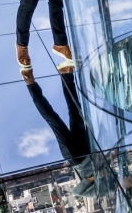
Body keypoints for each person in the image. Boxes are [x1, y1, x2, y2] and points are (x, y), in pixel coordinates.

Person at [21, 68, 95, 197]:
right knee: (75, 109)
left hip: (76, 158)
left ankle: (30, 84)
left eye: (131, 182)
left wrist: (92, 179)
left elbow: (76, 192)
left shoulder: (105, 191)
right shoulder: (116, 176)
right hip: (87, 150)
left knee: (53, 119)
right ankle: (66, 73)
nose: (130, 179)